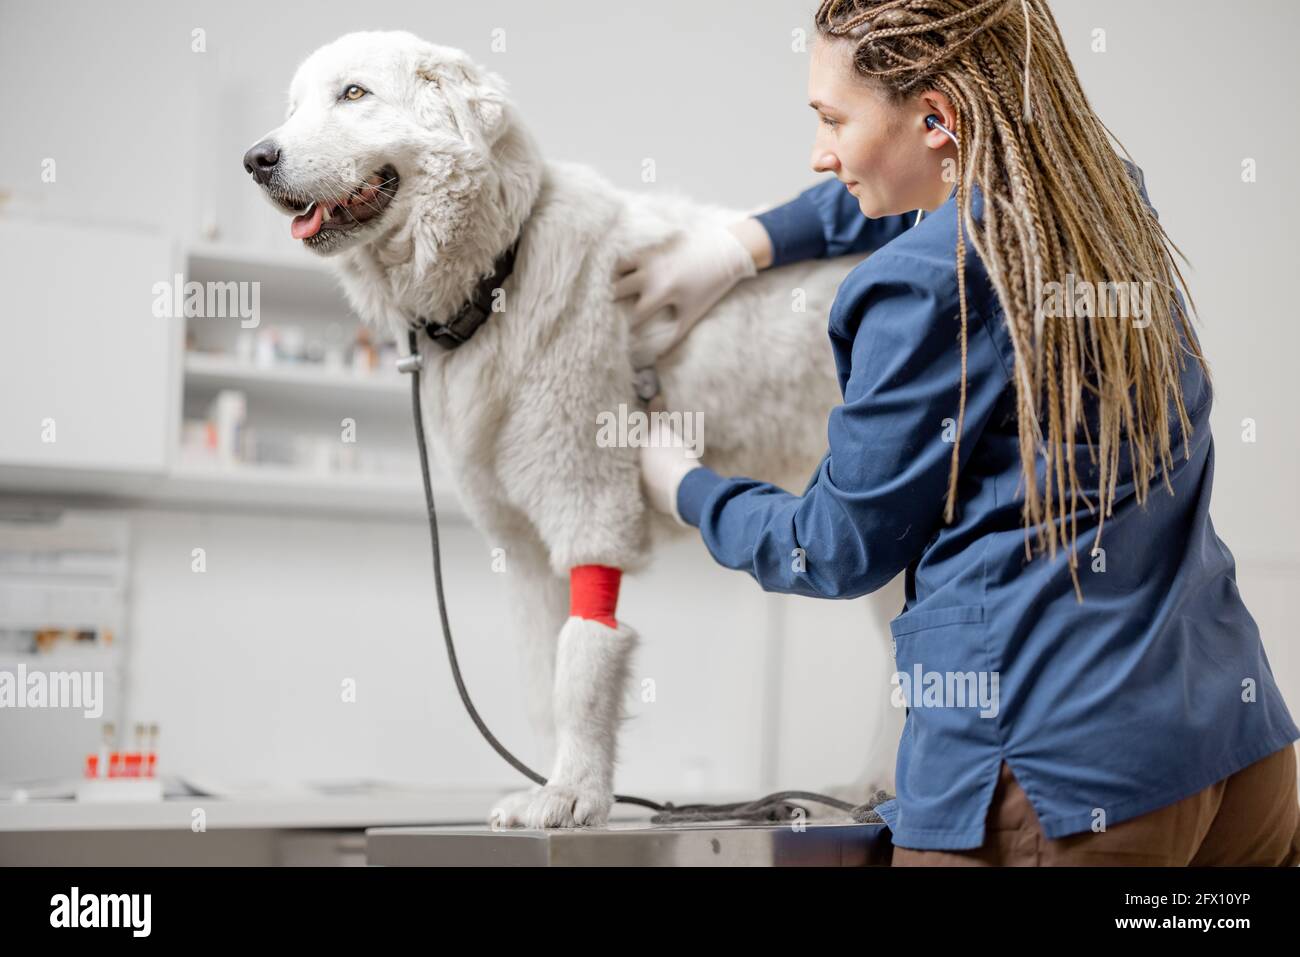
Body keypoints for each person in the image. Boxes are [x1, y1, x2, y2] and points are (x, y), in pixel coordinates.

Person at [619, 0, 1300, 866]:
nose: (820, 154)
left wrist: (683, 483)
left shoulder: (920, 285)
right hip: (1237, 760)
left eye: (832, 120)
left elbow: (830, 545)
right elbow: (936, 185)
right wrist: (746, 242)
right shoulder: (1102, 201)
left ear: (937, 117)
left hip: (1054, 789)